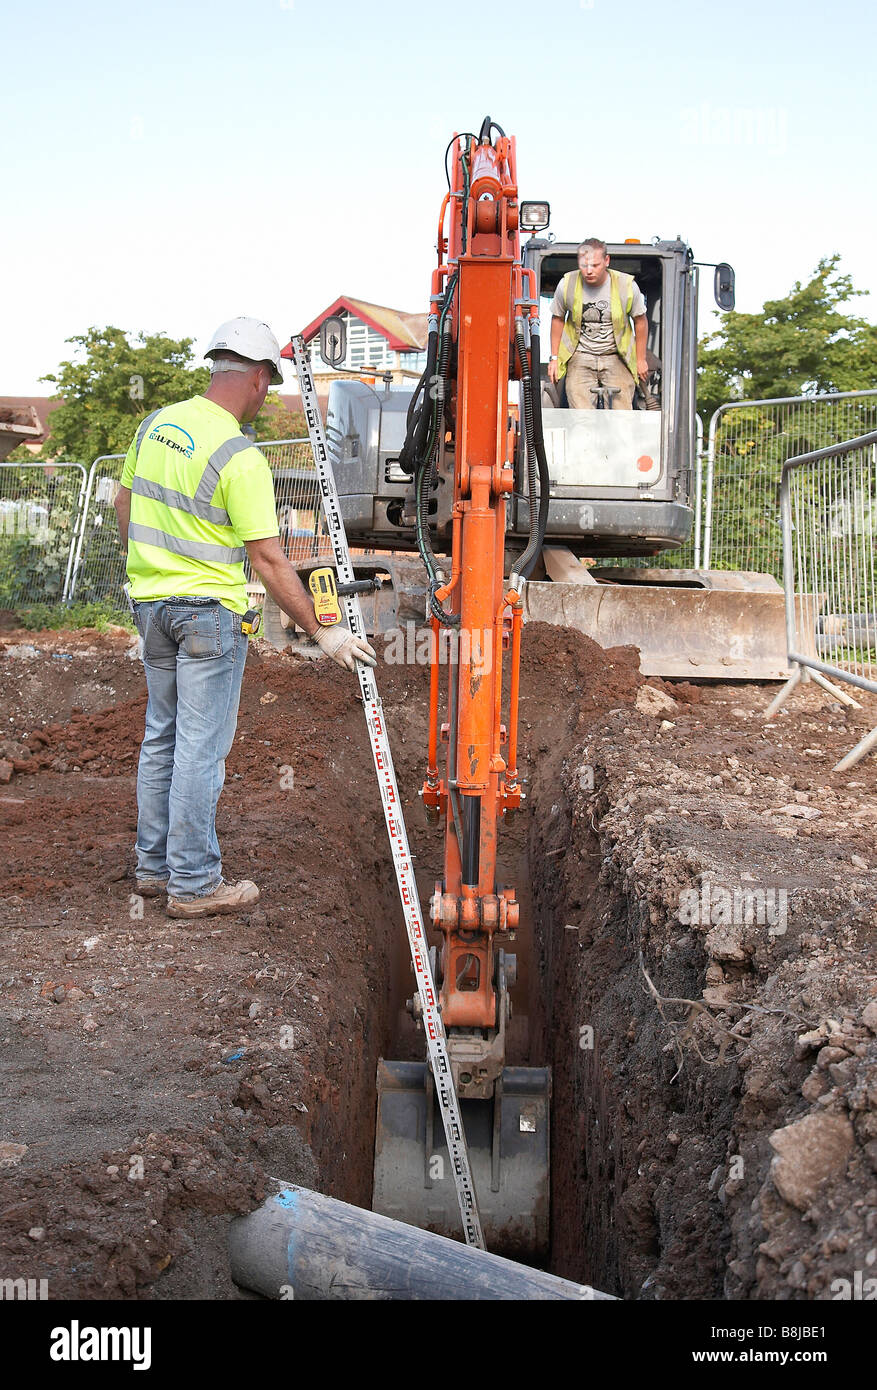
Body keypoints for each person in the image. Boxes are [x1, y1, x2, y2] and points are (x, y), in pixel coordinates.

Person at [113, 316, 376, 920]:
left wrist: (151, 574)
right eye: (268, 384)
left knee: (161, 738)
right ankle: (195, 883)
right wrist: (324, 629)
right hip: (209, 614)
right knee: (200, 750)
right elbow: (267, 559)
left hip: (151, 606)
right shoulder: (239, 454)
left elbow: (124, 507)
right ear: (257, 377)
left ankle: (154, 869)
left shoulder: (155, 425)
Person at [547, 239, 649, 409]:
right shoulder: (567, 284)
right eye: (584, 265)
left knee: (621, 416)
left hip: (616, 355)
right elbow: (557, 319)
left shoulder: (626, 285)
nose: (589, 271)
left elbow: (640, 321)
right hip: (580, 355)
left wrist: (641, 359)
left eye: (595, 265)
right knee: (581, 416)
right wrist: (554, 358)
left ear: (606, 261)